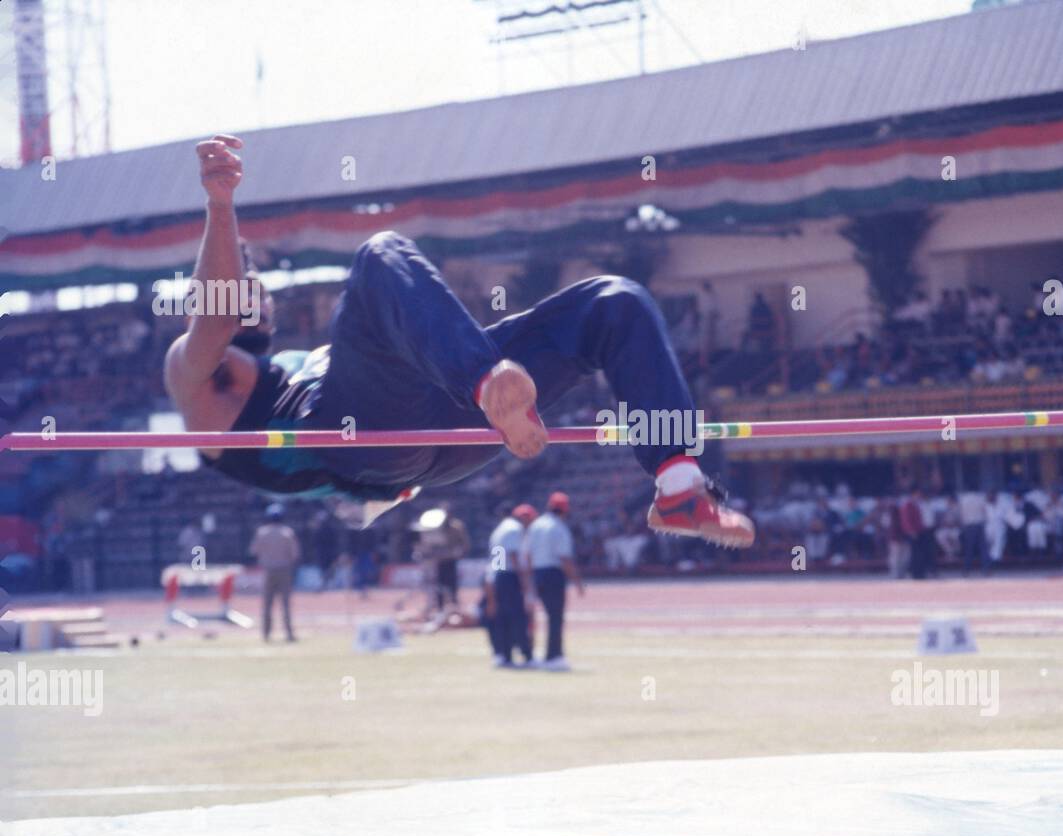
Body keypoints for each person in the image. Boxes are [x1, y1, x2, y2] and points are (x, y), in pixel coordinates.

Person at [164, 136, 753, 547]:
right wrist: (221, 205)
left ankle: (678, 484)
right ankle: (486, 380)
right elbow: (214, 320)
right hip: (366, 443)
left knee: (615, 304)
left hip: (450, 431)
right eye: (245, 280)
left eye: (255, 279)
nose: (258, 292)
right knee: (379, 255)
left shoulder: (291, 361)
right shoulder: (198, 375)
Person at [523, 492, 584, 672]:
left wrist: (529, 577)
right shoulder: (558, 527)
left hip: (537, 572)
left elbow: (527, 554)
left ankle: (532, 653)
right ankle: (554, 655)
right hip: (553, 573)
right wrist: (577, 581)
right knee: (555, 616)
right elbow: (564, 557)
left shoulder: (536, 525)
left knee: (536, 615)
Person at [485, 504, 537, 668]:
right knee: (518, 618)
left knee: (503, 618)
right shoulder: (515, 529)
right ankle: (526, 655)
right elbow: (514, 555)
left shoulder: (498, 531)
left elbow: (498, 561)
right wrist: (524, 581)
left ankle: (505, 654)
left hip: (500, 576)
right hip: (510, 576)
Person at [249, 503, 300, 643]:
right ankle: (289, 634)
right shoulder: (287, 532)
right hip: (284, 570)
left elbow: (254, 551)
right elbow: (295, 554)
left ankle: (266, 634)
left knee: (267, 604)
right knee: (286, 605)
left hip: (268, 571)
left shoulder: (262, 532)